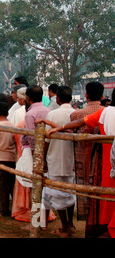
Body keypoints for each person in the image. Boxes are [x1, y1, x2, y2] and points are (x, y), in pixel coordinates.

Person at [47, 88, 115, 238]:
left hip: (106, 164)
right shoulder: (104, 111)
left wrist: (60, 127)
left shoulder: (106, 113)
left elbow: (80, 122)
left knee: (106, 197)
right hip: (104, 162)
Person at [38, 86, 76, 237]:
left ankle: (65, 226)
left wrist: (43, 158)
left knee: (56, 192)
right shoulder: (75, 113)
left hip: (55, 157)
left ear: (58, 99)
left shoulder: (52, 114)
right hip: (72, 159)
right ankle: (71, 224)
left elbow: (46, 140)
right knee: (71, 191)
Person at [70, 81, 105, 224]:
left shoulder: (77, 114)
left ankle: (85, 215)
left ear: (86, 95)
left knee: (82, 186)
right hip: (101, 157)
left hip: (82, 156)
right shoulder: (105, 112)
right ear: (102, 96)